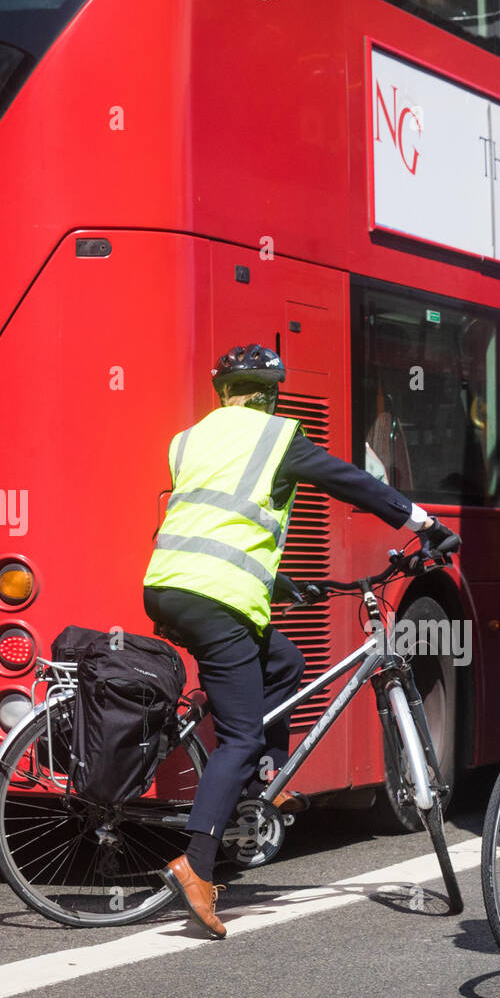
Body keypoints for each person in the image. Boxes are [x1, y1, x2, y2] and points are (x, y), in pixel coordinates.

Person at [144, 343, 456, 938]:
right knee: (238, 733)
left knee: (284, 661)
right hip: (215, 599)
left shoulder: (189, 440)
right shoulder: (275, 437)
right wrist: (422, 523)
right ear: (271, 393)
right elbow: (352, 482)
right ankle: (198, 864)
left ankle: (270, 775)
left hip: (167, 584)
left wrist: (282, 582)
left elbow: (214, 523)